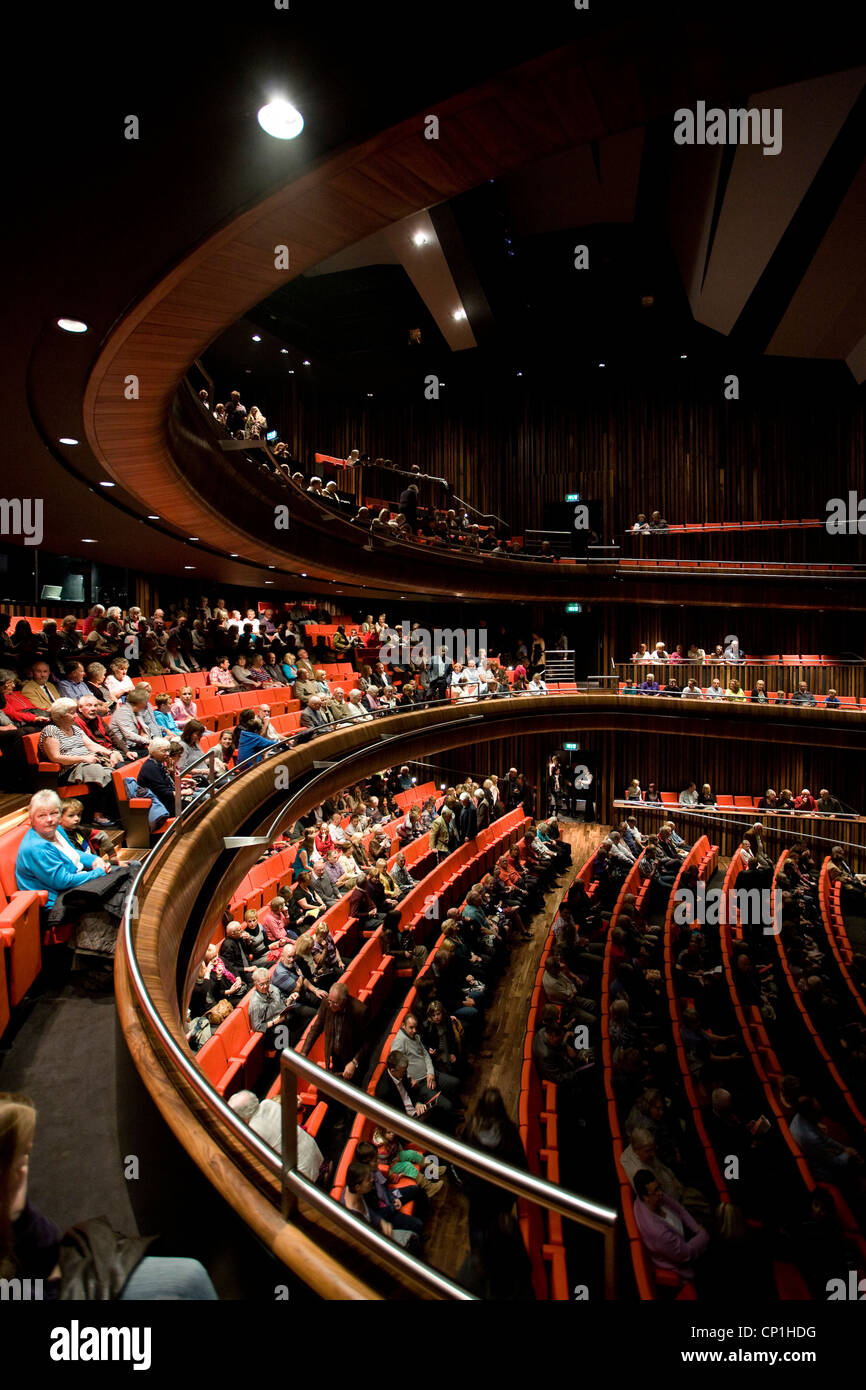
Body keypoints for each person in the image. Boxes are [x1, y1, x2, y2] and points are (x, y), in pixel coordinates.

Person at [0, 1092, 218, 1299]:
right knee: (188, 1280)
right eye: (21, 1159)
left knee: (189, 1275)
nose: (25, 1168)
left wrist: (19, 1213)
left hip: (57, 1279)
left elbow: (48, 1253)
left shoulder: (10, 1207)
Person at [39, 699, 119, 825]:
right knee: (98, 771)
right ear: (60, 715)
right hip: (68, 770)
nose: (76, 715)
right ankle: (98, 815)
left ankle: (111, 812)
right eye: (72, 713)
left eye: (75, 712)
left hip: (88, 763)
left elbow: (91, 745)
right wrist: (83, 758)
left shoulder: (75, 729)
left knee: (114, 771)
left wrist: (111, 753)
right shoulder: (51, 730)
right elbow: (56, 757)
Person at [632, 1169, 710, 1283]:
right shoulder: (658, 1232)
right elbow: (686, 1253)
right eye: (655, 1191)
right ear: (645, 1197)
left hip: (684, 1234)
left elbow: (679, 1208)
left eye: (659, 1187)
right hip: (683, 1257)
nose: (661, 1193)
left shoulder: (652, 1197)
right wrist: (703, 1235)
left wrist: (697, 1229)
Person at [298, 983, 368, 1081]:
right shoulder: (326, 1003)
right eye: (329, 1001)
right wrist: (303, 1053)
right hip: (335, 1055)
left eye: (334, 1003)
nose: (330, 1005)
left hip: (352, 1057)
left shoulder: (359, 1011)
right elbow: (316, 1029)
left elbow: (367, 1042)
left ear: (344, 1001)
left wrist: (354, 1062)